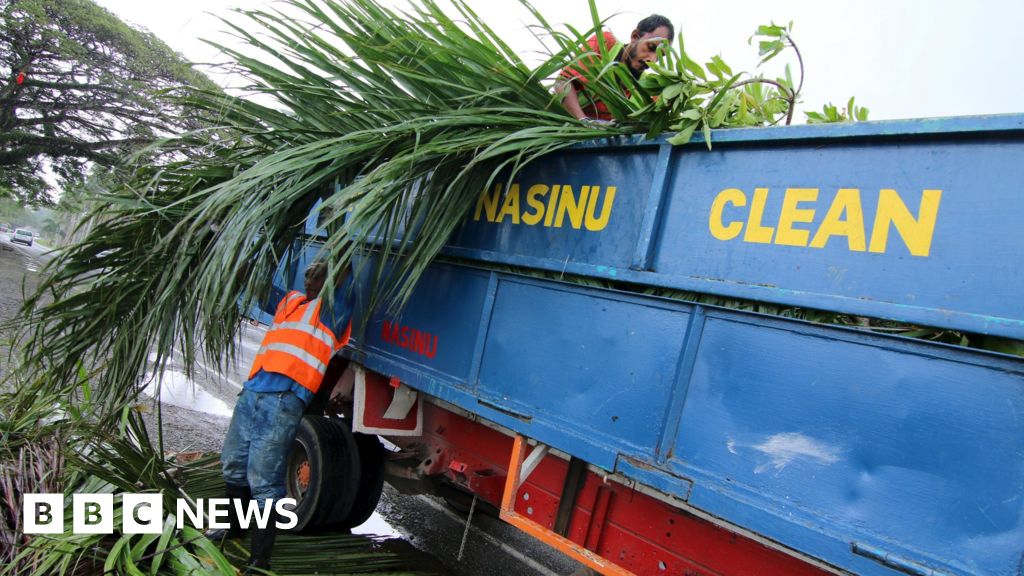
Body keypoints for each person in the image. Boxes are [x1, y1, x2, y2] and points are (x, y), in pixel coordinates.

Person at [208, 261, 353, 573]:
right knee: (233, 465)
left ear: (333, 280)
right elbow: (257, 285)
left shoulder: (330, 313)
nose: (310, 278)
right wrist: (225, 240)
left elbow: (344, 265)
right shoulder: (289, 302)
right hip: (251, 393)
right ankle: (234, 528)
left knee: (264, 481)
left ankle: (259, 560)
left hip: (283, 402)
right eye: (309, 273)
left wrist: (339, 231)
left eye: (319, 274)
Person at [557, 14, 675, 123]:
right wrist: (583, 121)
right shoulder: (605, 44)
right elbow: (562, 82)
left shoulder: (649, 91)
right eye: (650, 47)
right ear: (635, 36)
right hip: (565, 127)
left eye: (660, 56)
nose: (652, 60)